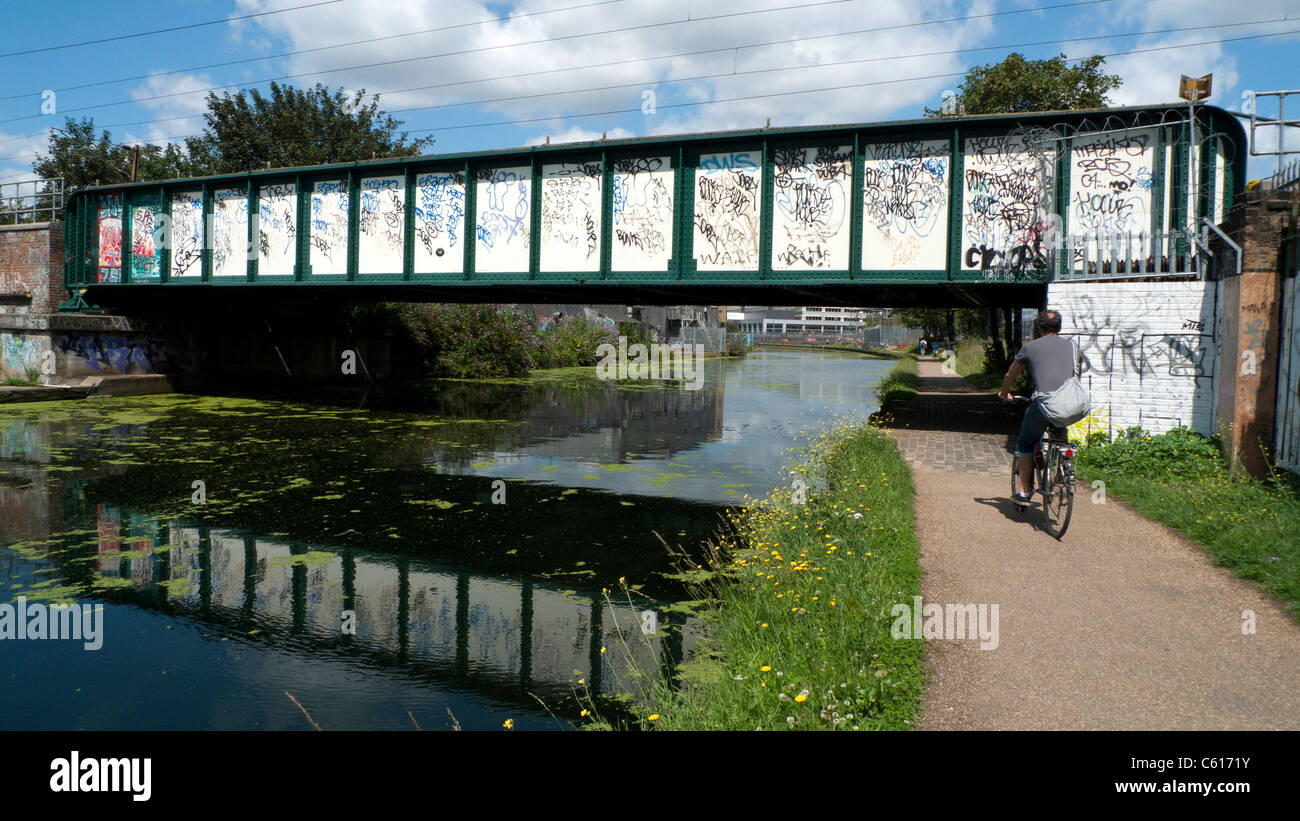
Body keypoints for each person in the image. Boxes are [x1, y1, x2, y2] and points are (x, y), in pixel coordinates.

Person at [998, 310, 1077, 504]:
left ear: (1039, 327)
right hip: (1071, 404)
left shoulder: (1030, 347)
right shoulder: (1072, 347)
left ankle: (1025, 492)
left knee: (1025, 442)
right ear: (1059, 327)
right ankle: (1062, 467)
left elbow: (1011, 375)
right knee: (1060, 431)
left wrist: (1003, 393)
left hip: (1045, 404)